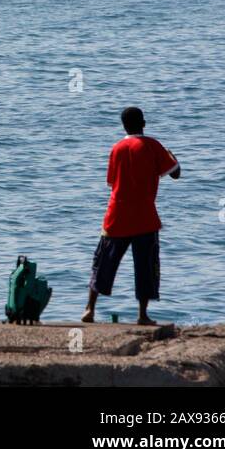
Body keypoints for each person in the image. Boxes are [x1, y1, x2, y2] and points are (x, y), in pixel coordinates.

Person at [82, 107, 181, 326]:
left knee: (103, 262)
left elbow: (111, 182)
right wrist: (172, 156)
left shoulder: (116, 148)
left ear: (123, 126)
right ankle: (142, 315)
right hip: (144, 217)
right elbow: (176, 173)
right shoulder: (153, 145)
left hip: (116, 215)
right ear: (143, 122)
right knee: (145, 266)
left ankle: (90, 309)